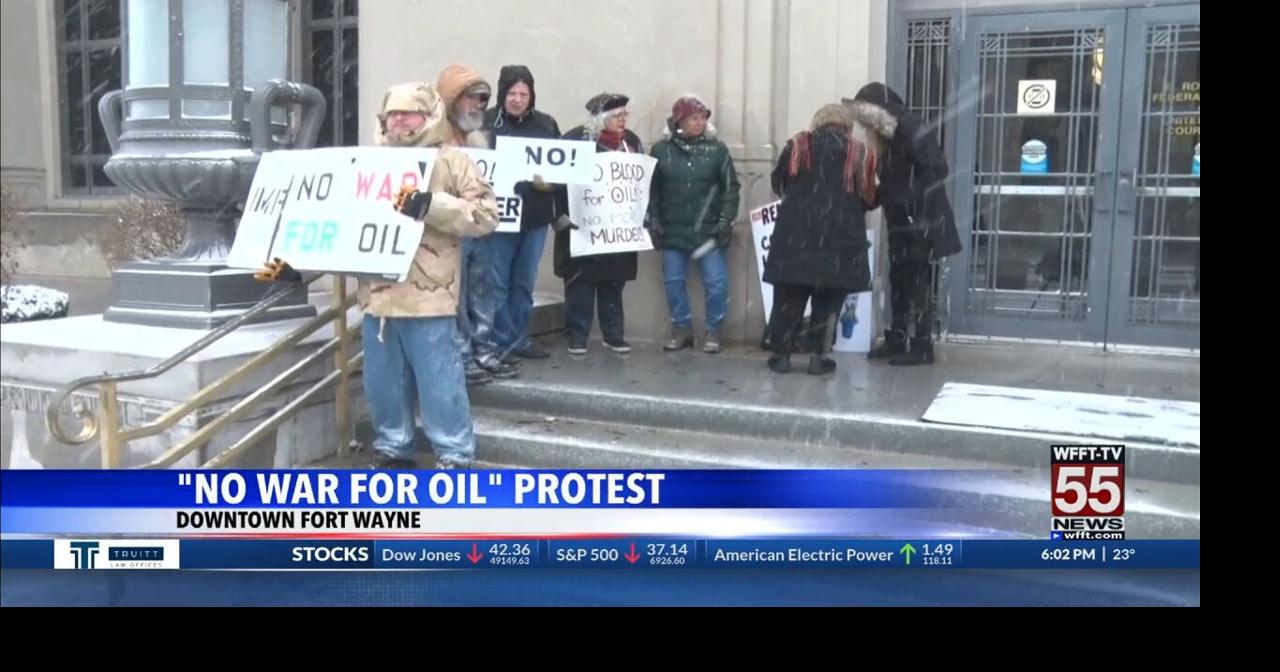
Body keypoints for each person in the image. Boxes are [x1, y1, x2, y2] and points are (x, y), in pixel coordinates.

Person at [846, 82, 961, 365]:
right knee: (899, 280)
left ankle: (922, 345)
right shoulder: (889, 136)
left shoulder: (909, 127)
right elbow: (894, 180)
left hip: (919, 219)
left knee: (917, 281)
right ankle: (897, 339)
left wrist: (908, 198)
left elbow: (937, 168)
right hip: (903, 220)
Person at [764, 103, 879, 375]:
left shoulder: (798, 146)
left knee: (788, 298)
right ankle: (818, 357)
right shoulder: (858, 152)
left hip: (796, 236)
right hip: (840, 239)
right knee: (829, 302)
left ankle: (782, 356)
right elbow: (869, 195)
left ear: (817, 123)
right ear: (847, 126)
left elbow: (778, 181)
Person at [647, 94, 740, 354]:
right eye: (693, 118)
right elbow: (651, 190)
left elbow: (730, 187)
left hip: (708, 229)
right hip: (672, 226)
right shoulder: (660, 150)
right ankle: (681, 328)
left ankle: (714, 330)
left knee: (716, 282)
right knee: (674, 281)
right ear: (679, 121)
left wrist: (725, 219)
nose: (698, 123)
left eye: (702, 118)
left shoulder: (717, 150)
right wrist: (653, 220)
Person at [553, 93, 644, 355]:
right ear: (601, 119)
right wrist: (559, 217)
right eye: (617, 115)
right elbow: (558, 182)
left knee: (613, 283)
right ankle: (577, 336)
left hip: (616, 230)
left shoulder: (632, 143)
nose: (623, 120)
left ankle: (613, 334)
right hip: (580, 227)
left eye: (625, 115)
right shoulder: (574, 141)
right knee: (580, 284)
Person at [483, 65, 562, 361]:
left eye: (523, 93)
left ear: (532, 95)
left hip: (535, 217)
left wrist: (550, 186)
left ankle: (518, 339)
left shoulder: (545, 124)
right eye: (512, 93)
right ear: (503, 94)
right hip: (498, 218)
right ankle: (499, 339)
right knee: (497, 282)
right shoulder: (486, 123)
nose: (517, 99)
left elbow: (561, 167)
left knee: (524, 281)